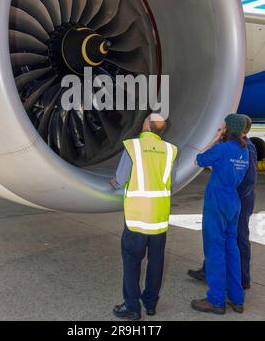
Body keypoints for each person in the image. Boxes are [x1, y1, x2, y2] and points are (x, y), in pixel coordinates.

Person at [110, 114, 178, 320]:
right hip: (158, 218)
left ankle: (131, 306)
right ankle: (150, 304)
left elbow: (121, 179)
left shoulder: (133, 147)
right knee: (156, 262)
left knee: (131, 261)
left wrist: (113, 184)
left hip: (137, 218)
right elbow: (171, 181)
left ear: (146, 126)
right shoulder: (170, 150)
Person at [188, 115, 257, 290]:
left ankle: (238, 282)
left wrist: (216, 139)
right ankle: (230, 286)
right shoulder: (239, 148)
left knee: (227, 241)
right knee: (228, 241)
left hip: (231, 199)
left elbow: (199, 160)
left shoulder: (242, 147)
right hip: (233, 199)